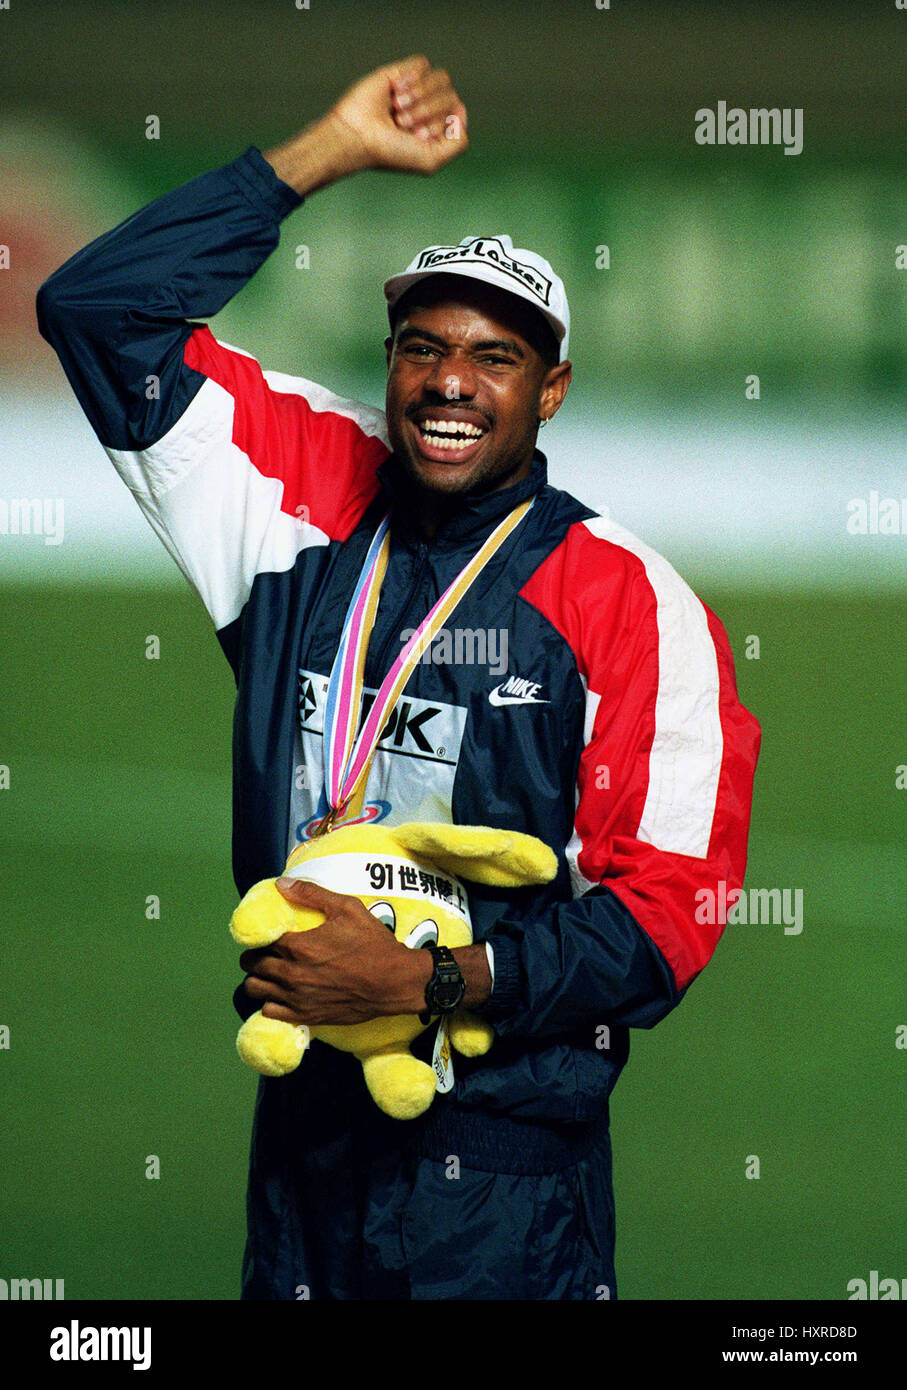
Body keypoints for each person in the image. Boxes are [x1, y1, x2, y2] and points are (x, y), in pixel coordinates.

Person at [36, 56, 761, 1301]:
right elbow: (99, 310)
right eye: (422, 347)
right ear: (389, 362)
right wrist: (319, 152)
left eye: (493, 356)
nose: (448, 383)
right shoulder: (303, 498)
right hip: (305, 1145)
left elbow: (668, 916)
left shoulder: (628, 601)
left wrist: (430, 979)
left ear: (553, 388)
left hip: (505, 1185)